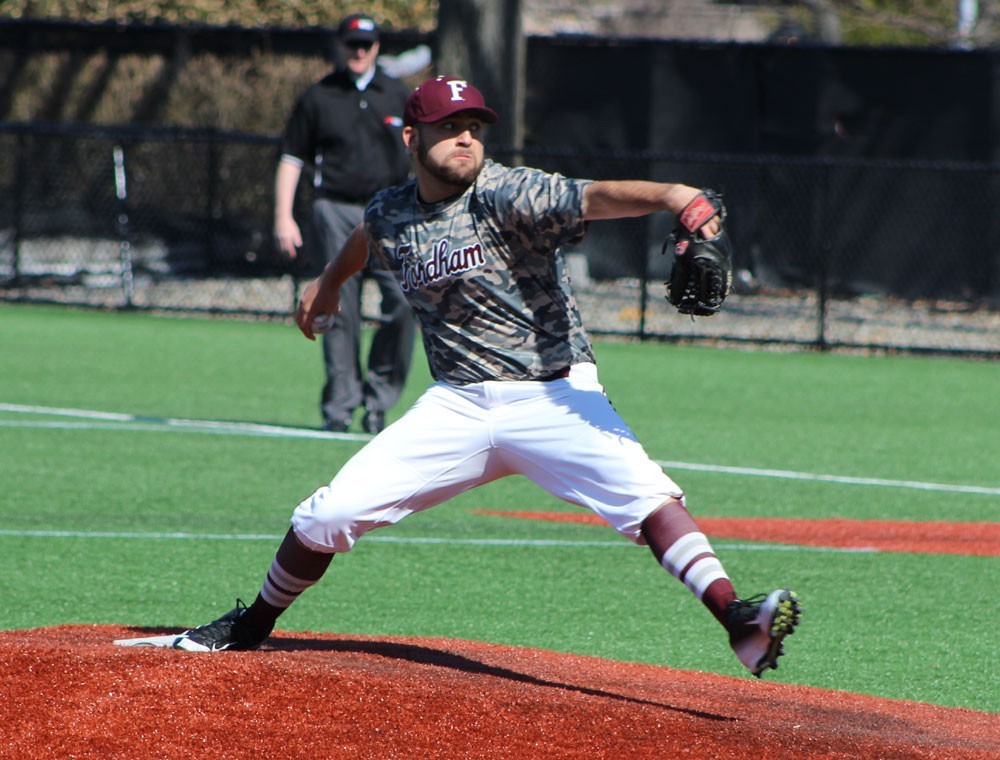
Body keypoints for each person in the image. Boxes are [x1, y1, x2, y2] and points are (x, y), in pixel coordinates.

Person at [175, 76, 802, 677]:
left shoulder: (508, 191)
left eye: (474, 125)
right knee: (325, 517)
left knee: (647, 497)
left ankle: (737, 620)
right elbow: (369, 236)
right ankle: (253, 624)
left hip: (553, 393)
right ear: (411, 139)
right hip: (458, 406)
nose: (466, 138)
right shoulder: (392, 211)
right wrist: (327, 283)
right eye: (448, 127)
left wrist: (672, 197)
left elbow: (592, 196)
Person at [273, 12, 416, 434]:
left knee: (404, 304)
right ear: (340, 46)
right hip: (335, 211)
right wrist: (284, 217)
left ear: (377, 48)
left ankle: (379, 401)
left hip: (390, 213)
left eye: (366, 44)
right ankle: (340, 406)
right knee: (337, 309)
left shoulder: (397, 94)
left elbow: (423, 154)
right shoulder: (319, 96)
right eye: (351, 44)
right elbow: (292, 158)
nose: (359, 51)